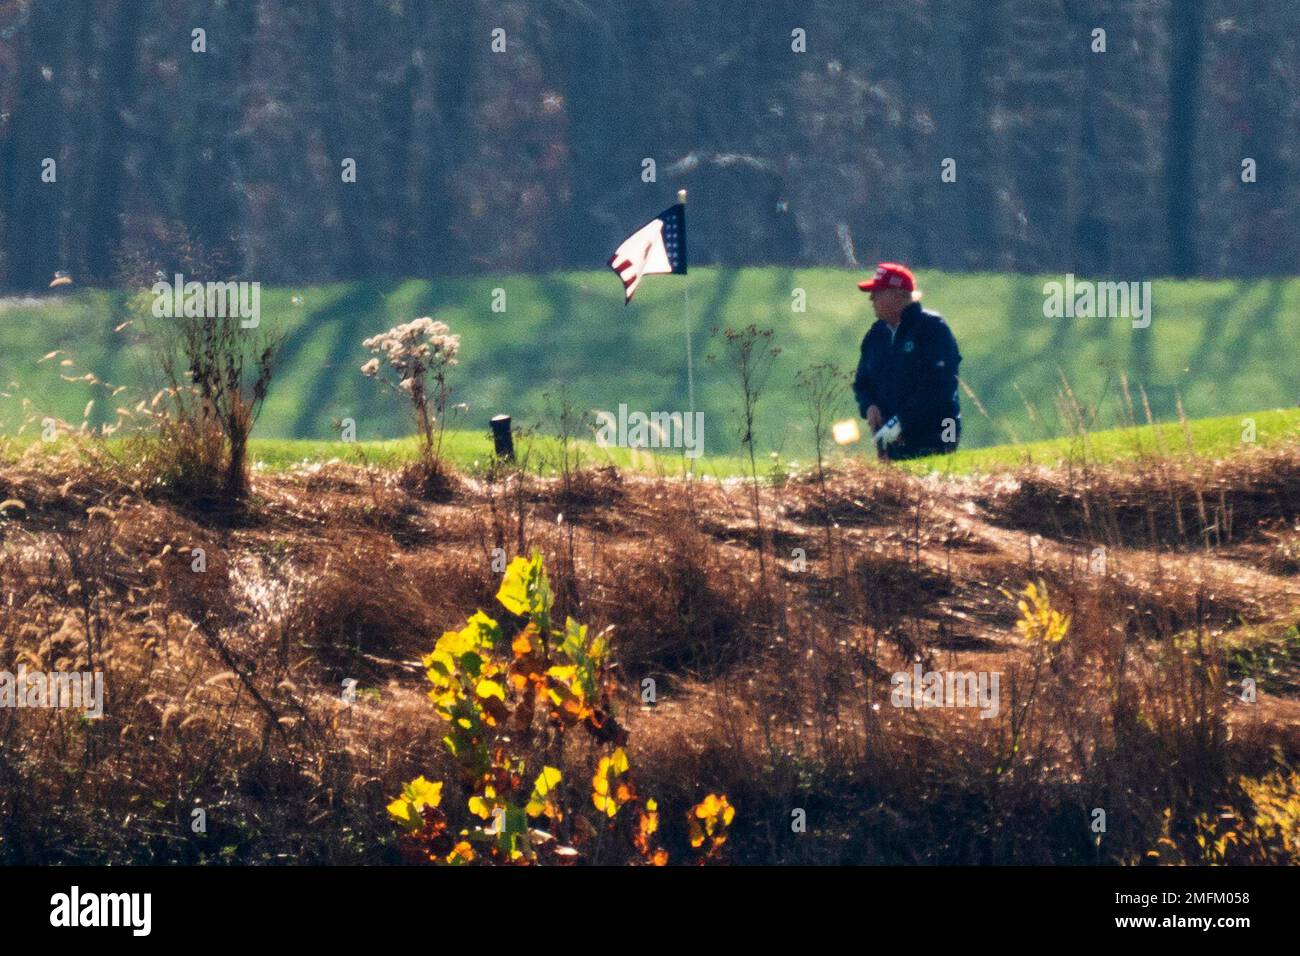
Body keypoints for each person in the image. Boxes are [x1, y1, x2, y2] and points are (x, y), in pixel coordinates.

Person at [852, 262, 962, 461]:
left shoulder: (932, 328)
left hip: (936, 433)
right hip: (890, 438)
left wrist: (902, 421)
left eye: (877, 292)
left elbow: (939, 386)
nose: (871, 299)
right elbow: (862, 383)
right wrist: (869, 405)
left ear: (899, 295)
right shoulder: (875, 336)